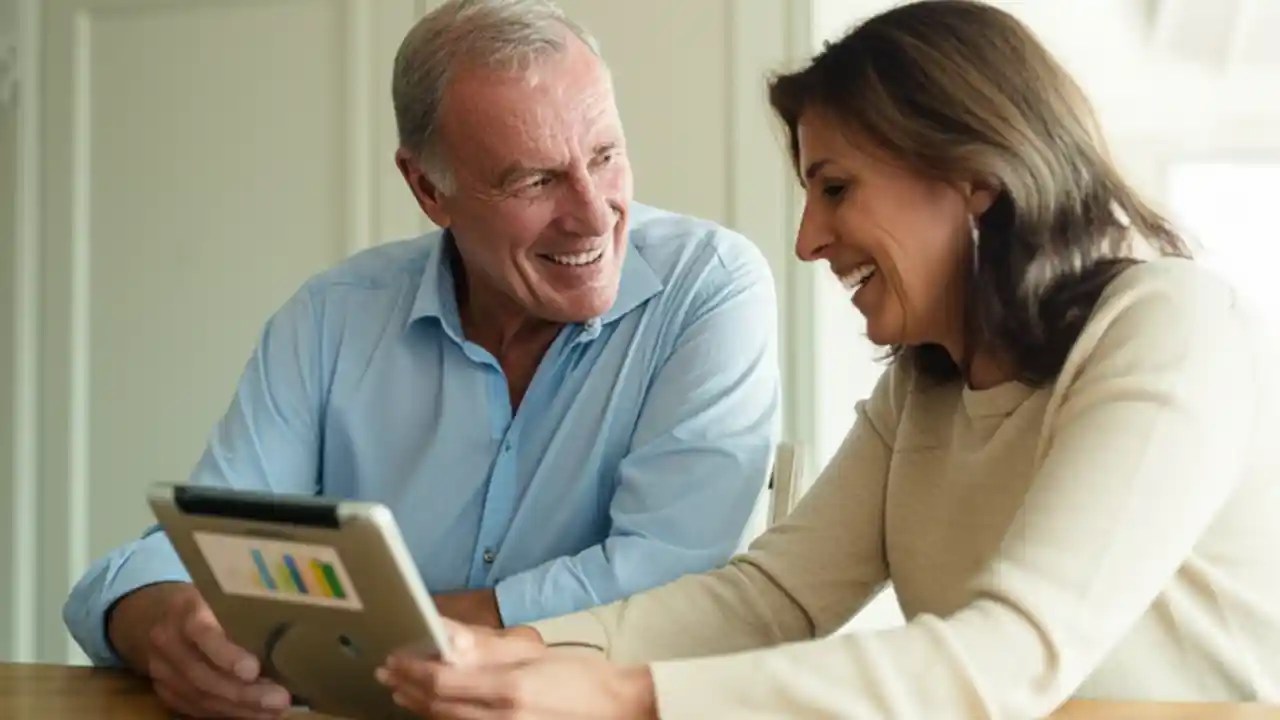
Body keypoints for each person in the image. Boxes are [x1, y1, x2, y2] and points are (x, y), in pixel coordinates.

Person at [376, 1, 1280, 718]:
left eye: (836, 188)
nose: (809, 241)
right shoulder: (922, 389)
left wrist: (622, 695)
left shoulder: (1169, 324)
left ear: (976, 173)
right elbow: (771, 600)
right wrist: (522, 657)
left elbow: (1011, 659)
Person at [62, 0, 780, 717]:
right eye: (534, 181)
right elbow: (199, 551)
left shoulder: (708, 289)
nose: (593, 214)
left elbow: (671, 586)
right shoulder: (333, 317)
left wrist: (359, 642)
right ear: (428, 188)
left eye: (605, 157)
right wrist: (167, 627)